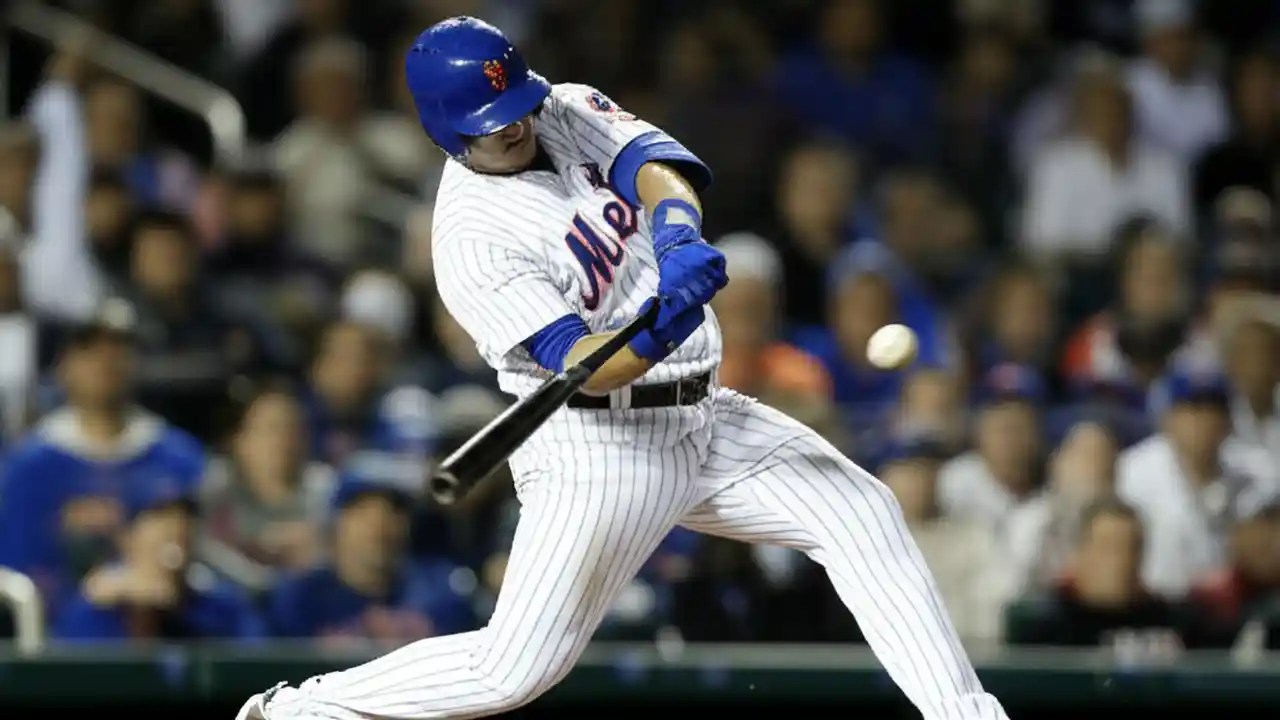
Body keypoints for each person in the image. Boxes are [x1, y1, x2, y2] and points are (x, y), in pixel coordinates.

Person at [236, 17, 1010, 720]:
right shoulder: (471, 239)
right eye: (493, 124)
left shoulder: (558, 106)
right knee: (512, 670)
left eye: (517, 110)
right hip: (599, 450)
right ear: (448, 133)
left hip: (705, 415)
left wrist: (675, 228)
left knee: (861, 514)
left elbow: (652, 161)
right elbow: (581, 365)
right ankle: (299, 712)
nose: (515, 128)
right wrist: (663, 322)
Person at [0, 300, 204, 612]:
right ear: (64, 364)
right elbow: (17, 569)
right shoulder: (29, 466)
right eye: (90, 350)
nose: (104, 363)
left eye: (118, 349)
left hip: (170, 625)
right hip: (61, 639)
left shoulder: (178, 458)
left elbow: (206, 564)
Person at [266, 474, 474, 645]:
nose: (378, 528)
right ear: (337, 524)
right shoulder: (301, 597)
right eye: (364, 515)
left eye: (393, 514)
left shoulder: (440, 593)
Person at [53, 479, 263, 642]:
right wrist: (141, 616)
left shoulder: (219, 606)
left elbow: (257, 667)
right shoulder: (95, 608)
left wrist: (177, 608)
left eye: (184, 517)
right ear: (127, 535)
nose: (175, 527)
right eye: (160, 517)